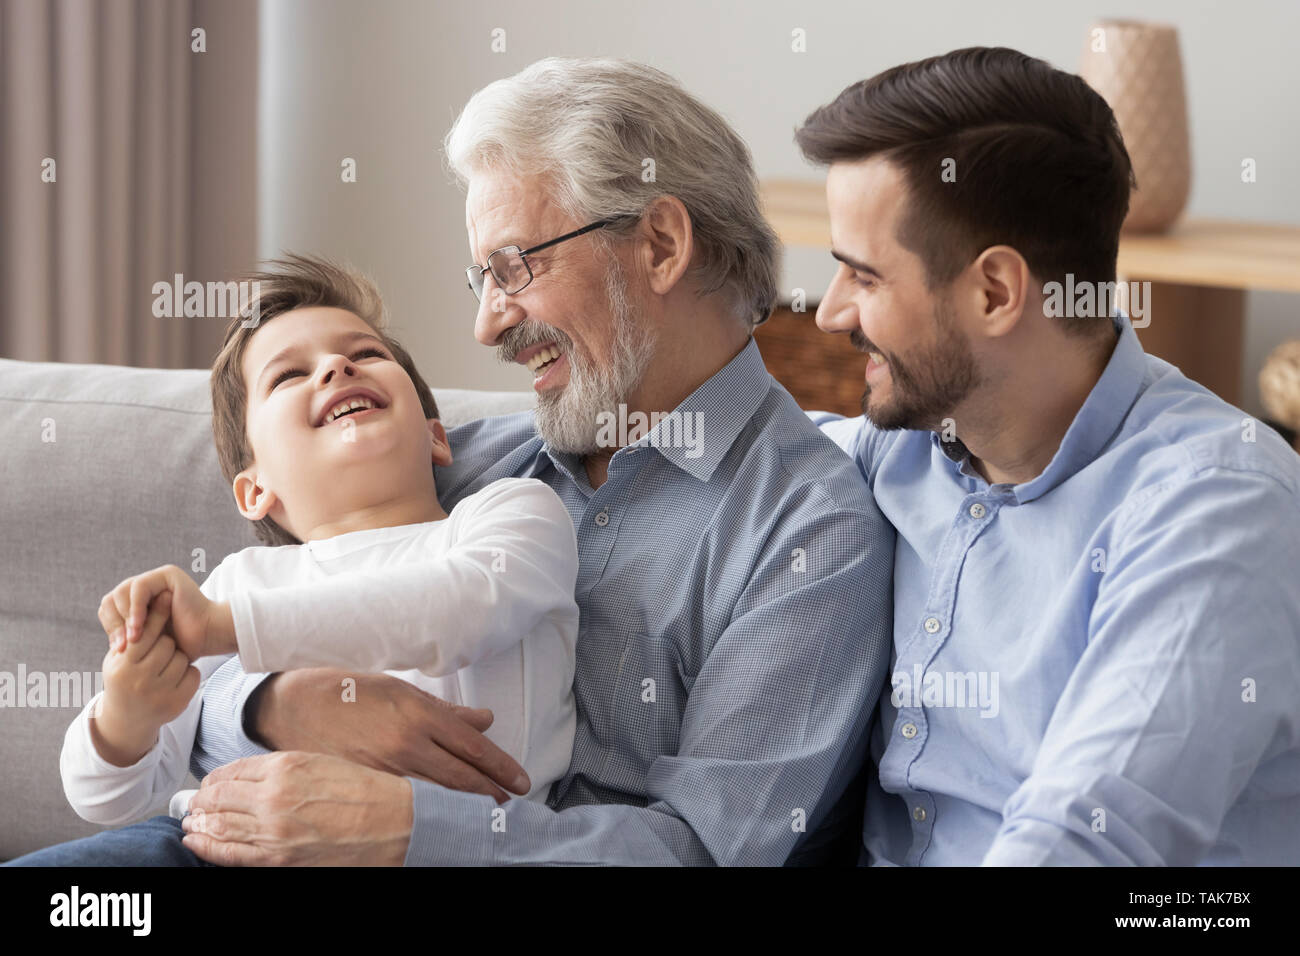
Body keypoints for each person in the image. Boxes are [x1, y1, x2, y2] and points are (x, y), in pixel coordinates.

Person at [185, 57, 894, 866]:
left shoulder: (809, 532)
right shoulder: (467, 466)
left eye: (514, 267)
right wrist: (276, 705)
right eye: (481, 278)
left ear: (660, 244)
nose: (487, 326)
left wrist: (402, 829)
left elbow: (702, 852)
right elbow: (214, 643)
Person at [800, 47, 1300, 865]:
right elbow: (706, 439)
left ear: (995, 292)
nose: (827, 314)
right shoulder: (901, 456)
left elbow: (1084, 842)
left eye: (864, 276)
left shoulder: (1218, 508)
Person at [6, 255, 579, 865]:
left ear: (438, 437)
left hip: (429, 848)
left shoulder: (511, 513)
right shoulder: (237, 583)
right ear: (255, 492)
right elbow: (107, 797)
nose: (336, 366)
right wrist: (125, 713)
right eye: (288, 376)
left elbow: (463, 607)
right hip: (208, 850)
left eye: (365, 354)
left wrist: (224, 629)